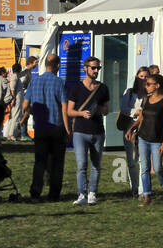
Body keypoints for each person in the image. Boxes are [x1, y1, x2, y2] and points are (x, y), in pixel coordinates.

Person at [23, 54, 67, 201]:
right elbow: (64, 108)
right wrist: (68, 128)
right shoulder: (60, 83)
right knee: (57, 162)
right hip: (56, 127)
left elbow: (25, 105)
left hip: (40, 127)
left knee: (40, 161)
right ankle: (54, 193)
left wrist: (31, 113)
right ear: (57, 66)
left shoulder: (34, 82)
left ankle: (35, 190)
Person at [66, 56, 109, 207]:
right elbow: (69, 111)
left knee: (96, 165)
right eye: (93, 68)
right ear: (85, 68)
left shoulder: (103, 88)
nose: (96, 71)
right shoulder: (76, 88)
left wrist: (100, 109)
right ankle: (82, 194)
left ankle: (92, 194)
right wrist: (81, 113)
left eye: (98, 68)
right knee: (81, 165)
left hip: (98, 132)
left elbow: (106, 111)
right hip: (80, 132)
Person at [131, 72, 163, 205]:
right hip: (143, 137)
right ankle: (147, 196)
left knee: (158, 168)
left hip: (157, 140)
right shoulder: (146, 99)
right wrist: (132, 128)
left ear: (157, 86)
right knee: (145, 168)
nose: (145, 86)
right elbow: (142, 117)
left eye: (148, 84)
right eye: (145, 84)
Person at [119, 68, 148, 197]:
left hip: (144, 128)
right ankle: (134, 187)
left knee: (143, 160)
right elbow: (123, 108)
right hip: (129, 128)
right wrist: (135, 112)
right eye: (141, 76)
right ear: (137, 77)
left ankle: (143, 189)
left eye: (146, 76)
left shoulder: (150, 94)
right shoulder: (129, 92)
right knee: (132, 160)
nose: (144, 79)